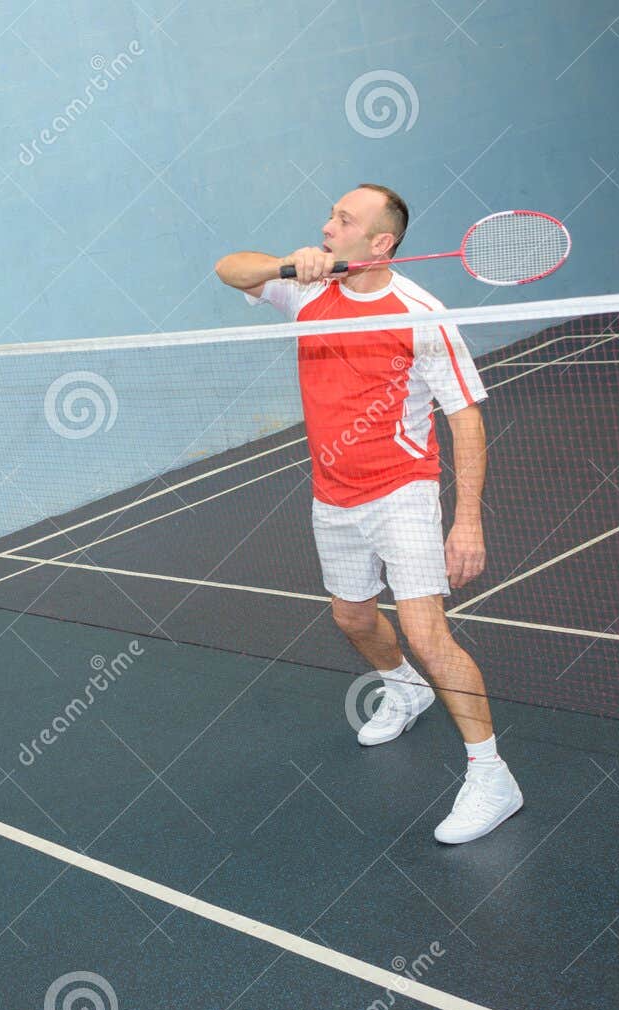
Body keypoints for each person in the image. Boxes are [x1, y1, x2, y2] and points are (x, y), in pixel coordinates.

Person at [214, 183, 522, 844]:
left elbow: (464, 417)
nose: (328, 225)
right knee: (352, 617)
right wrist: (281, 266)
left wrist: (466, 520)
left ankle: (492, 775)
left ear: (379, 242)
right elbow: (226, 268)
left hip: (402, 489)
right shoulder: (304, 289)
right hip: (333, 491)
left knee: (427, 633)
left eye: (343, 220)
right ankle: (402, 688)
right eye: (330, 215)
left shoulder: (421, 313)